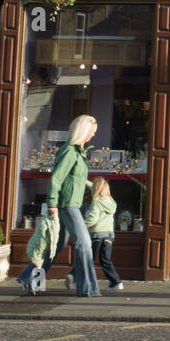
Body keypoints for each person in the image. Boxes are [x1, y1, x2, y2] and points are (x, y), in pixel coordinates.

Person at [46, 114, 101, 297]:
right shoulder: (69, 151)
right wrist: (52, 203)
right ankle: (87, 288)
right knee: (84, 244)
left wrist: (93, 186)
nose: (92, 136)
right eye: (91, 132)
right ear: (83, 131)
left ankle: (29, 279)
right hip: (67, 205)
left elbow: (75, 178)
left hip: (72, 204)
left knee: (56, 245)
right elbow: (57, 178)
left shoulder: (78, 152)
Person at [85, 178, 123, 291]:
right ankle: (116, 282)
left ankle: (83, 281)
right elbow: (97, 187)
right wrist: (86, 182)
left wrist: (82, 224)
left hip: (97, 234)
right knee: (105, 260)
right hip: (109, 235)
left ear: (95, 190)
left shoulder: (96, 203)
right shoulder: (111, 201)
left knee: (88, 258)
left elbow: (92, 220)